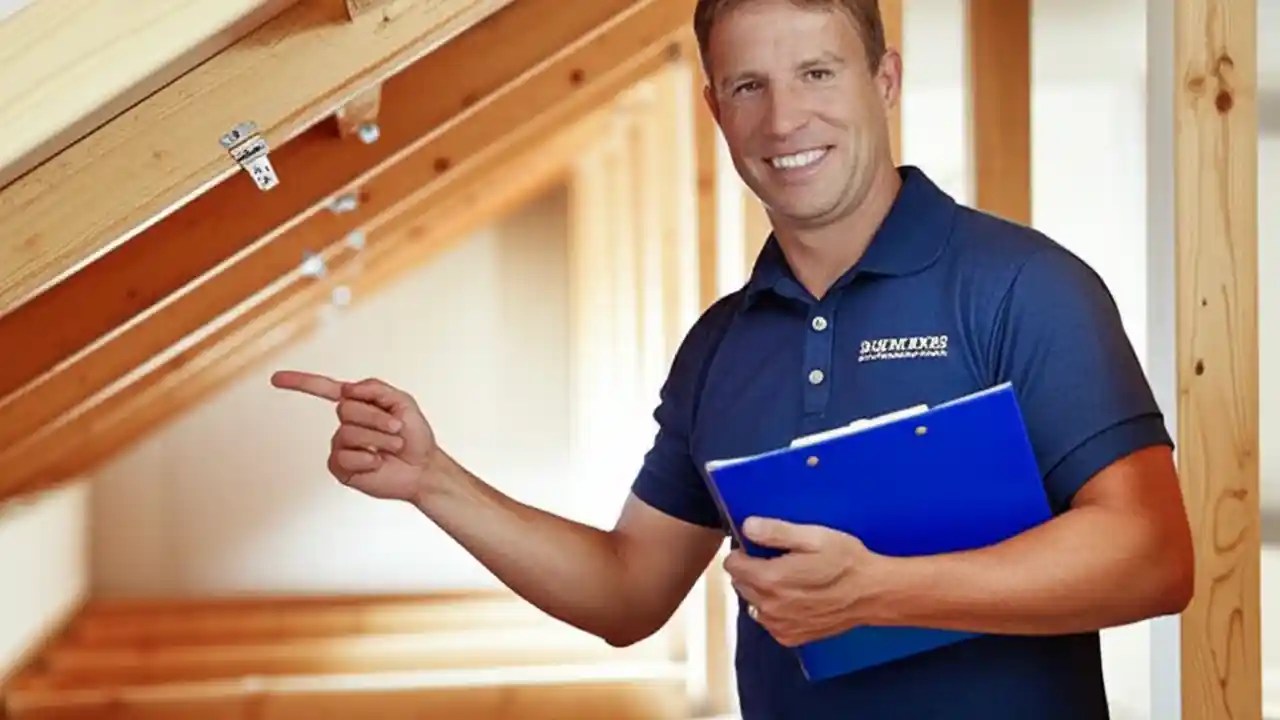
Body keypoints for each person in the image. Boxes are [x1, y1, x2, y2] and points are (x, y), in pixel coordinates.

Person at [270, 0, 1195, 717]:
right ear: (714, 107)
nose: (784, 118)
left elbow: (1154, 556)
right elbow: (627, 593)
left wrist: (880, 591)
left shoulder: (1020, 286)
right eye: (748, 86)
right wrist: (435, 480)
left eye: (818, 72)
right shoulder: (721, 345)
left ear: (886, 79)